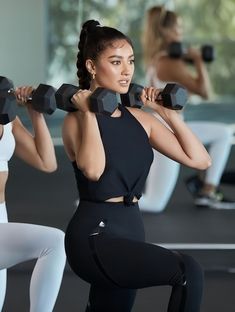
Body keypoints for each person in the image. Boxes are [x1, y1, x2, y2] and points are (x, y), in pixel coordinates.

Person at [62, 19, 211, 312]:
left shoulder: (141, 120)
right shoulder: (75, 120)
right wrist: (89, 113)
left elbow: (200, 159)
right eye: (116, 62)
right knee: (187, 271)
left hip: (131, 227)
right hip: (95, 235)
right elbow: (93, 171)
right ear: (92, 66)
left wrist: (168, 116)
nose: (127, 70)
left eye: (130, 61)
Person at [140, 6, 235, 212]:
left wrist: (189, 57)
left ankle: (207, 191)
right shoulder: (168, 62)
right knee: (154, 204)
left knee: (222, 133)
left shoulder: (162, 58)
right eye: (178, 28)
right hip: (164, 129)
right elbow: (205, 91)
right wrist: (199, 61)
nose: (181, 33)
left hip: (174, 124)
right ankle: (99, 203)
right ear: (166, 31)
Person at [0, 86, 66, 311]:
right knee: (54, 242)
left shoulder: (6, 115)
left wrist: (34, 112)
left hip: (1, 216)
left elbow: (46, 162)